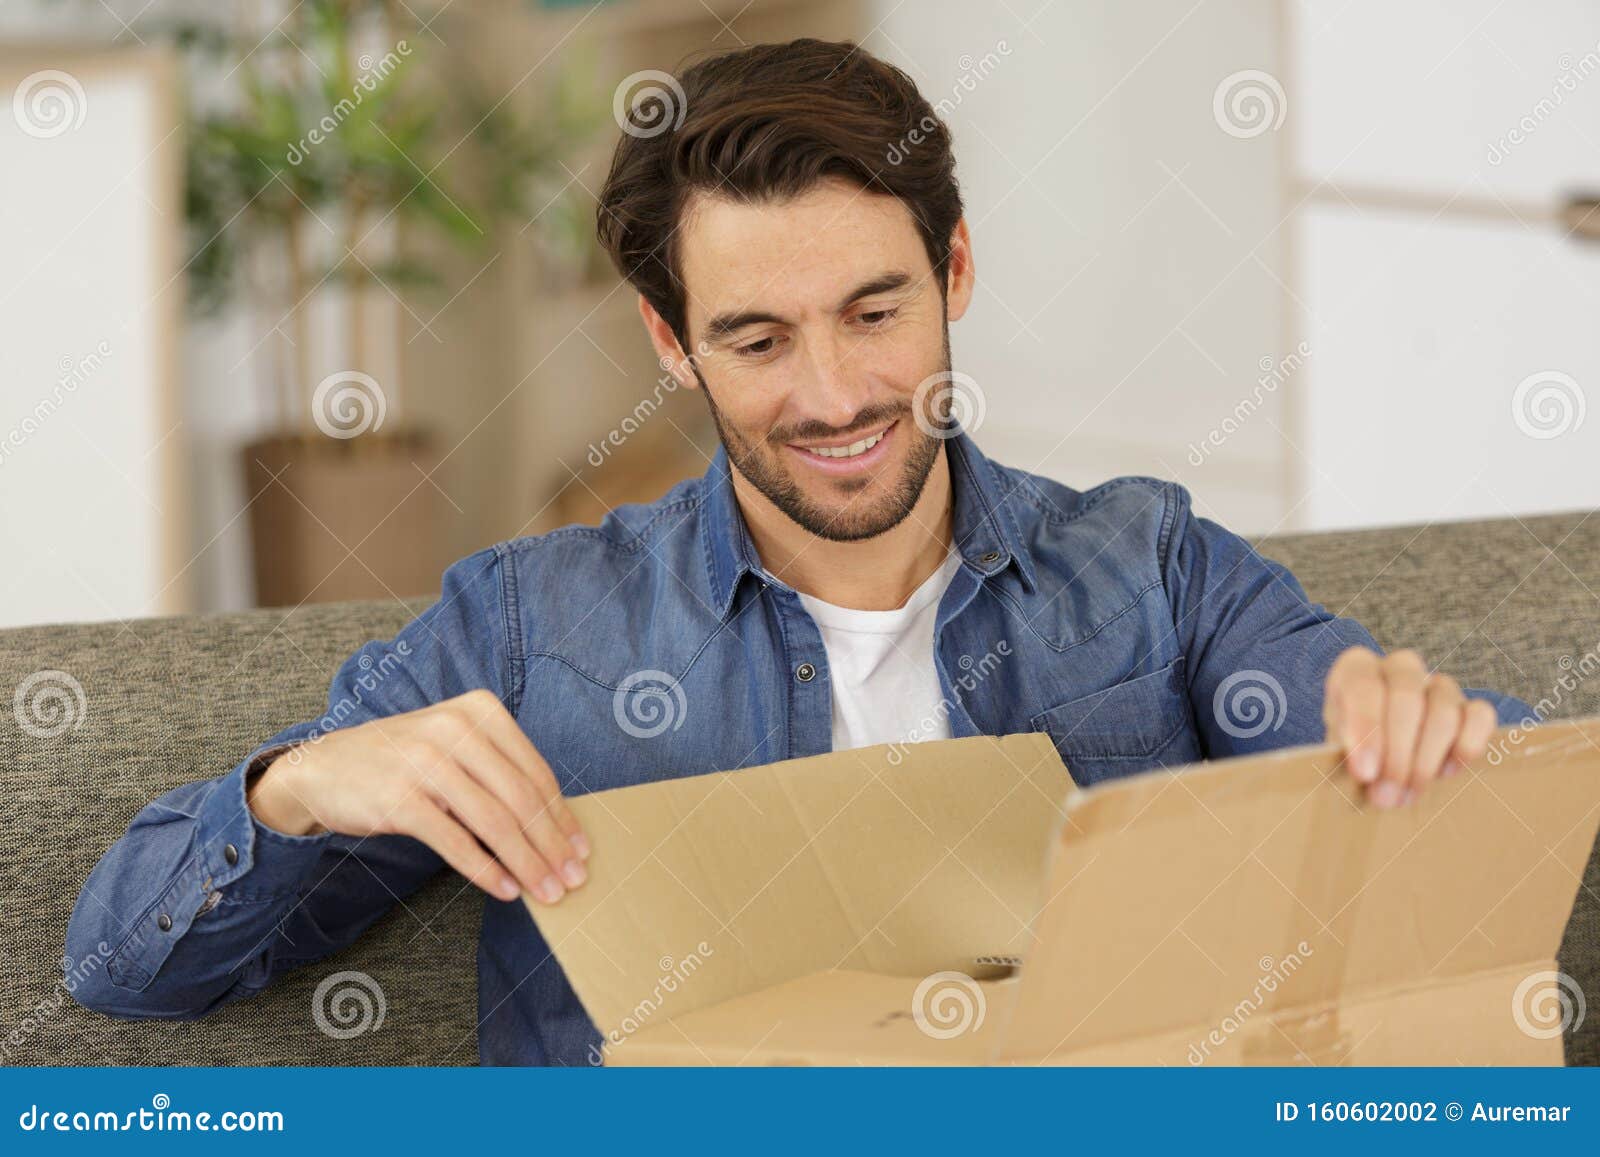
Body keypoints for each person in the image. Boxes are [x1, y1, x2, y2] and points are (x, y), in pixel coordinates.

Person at [66, 38, 1532, 1065]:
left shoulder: (1150, 569)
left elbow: (1457, 774)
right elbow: (124, 968)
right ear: (670, 339)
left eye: (876, 311)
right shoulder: (526, 628)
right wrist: (300, 785)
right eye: (756, 339)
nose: (832, 394)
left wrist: (1428, 737)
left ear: (955, 271)